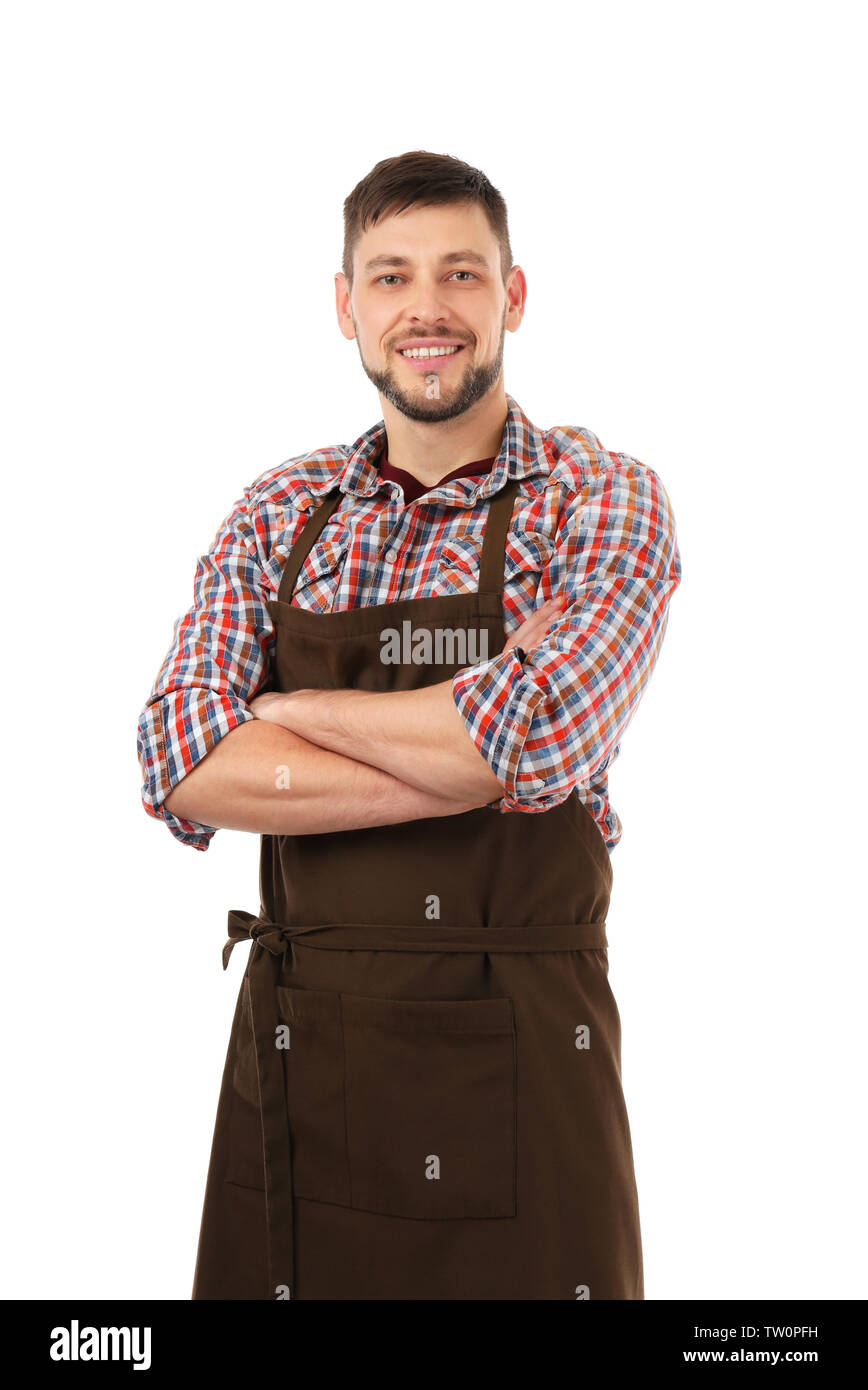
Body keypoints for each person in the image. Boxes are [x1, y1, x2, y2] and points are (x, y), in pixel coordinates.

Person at [137, 149, 682, 1301]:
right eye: (388, 277)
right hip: (299, 1057)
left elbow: (543, 738)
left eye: (459, 275)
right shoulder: (282, 509)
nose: (424, 309)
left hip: (530, 1064)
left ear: (512, 296)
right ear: (345, 305)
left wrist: (287, 711)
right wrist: (469, 743)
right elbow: (181, 757)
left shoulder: (599, 495)